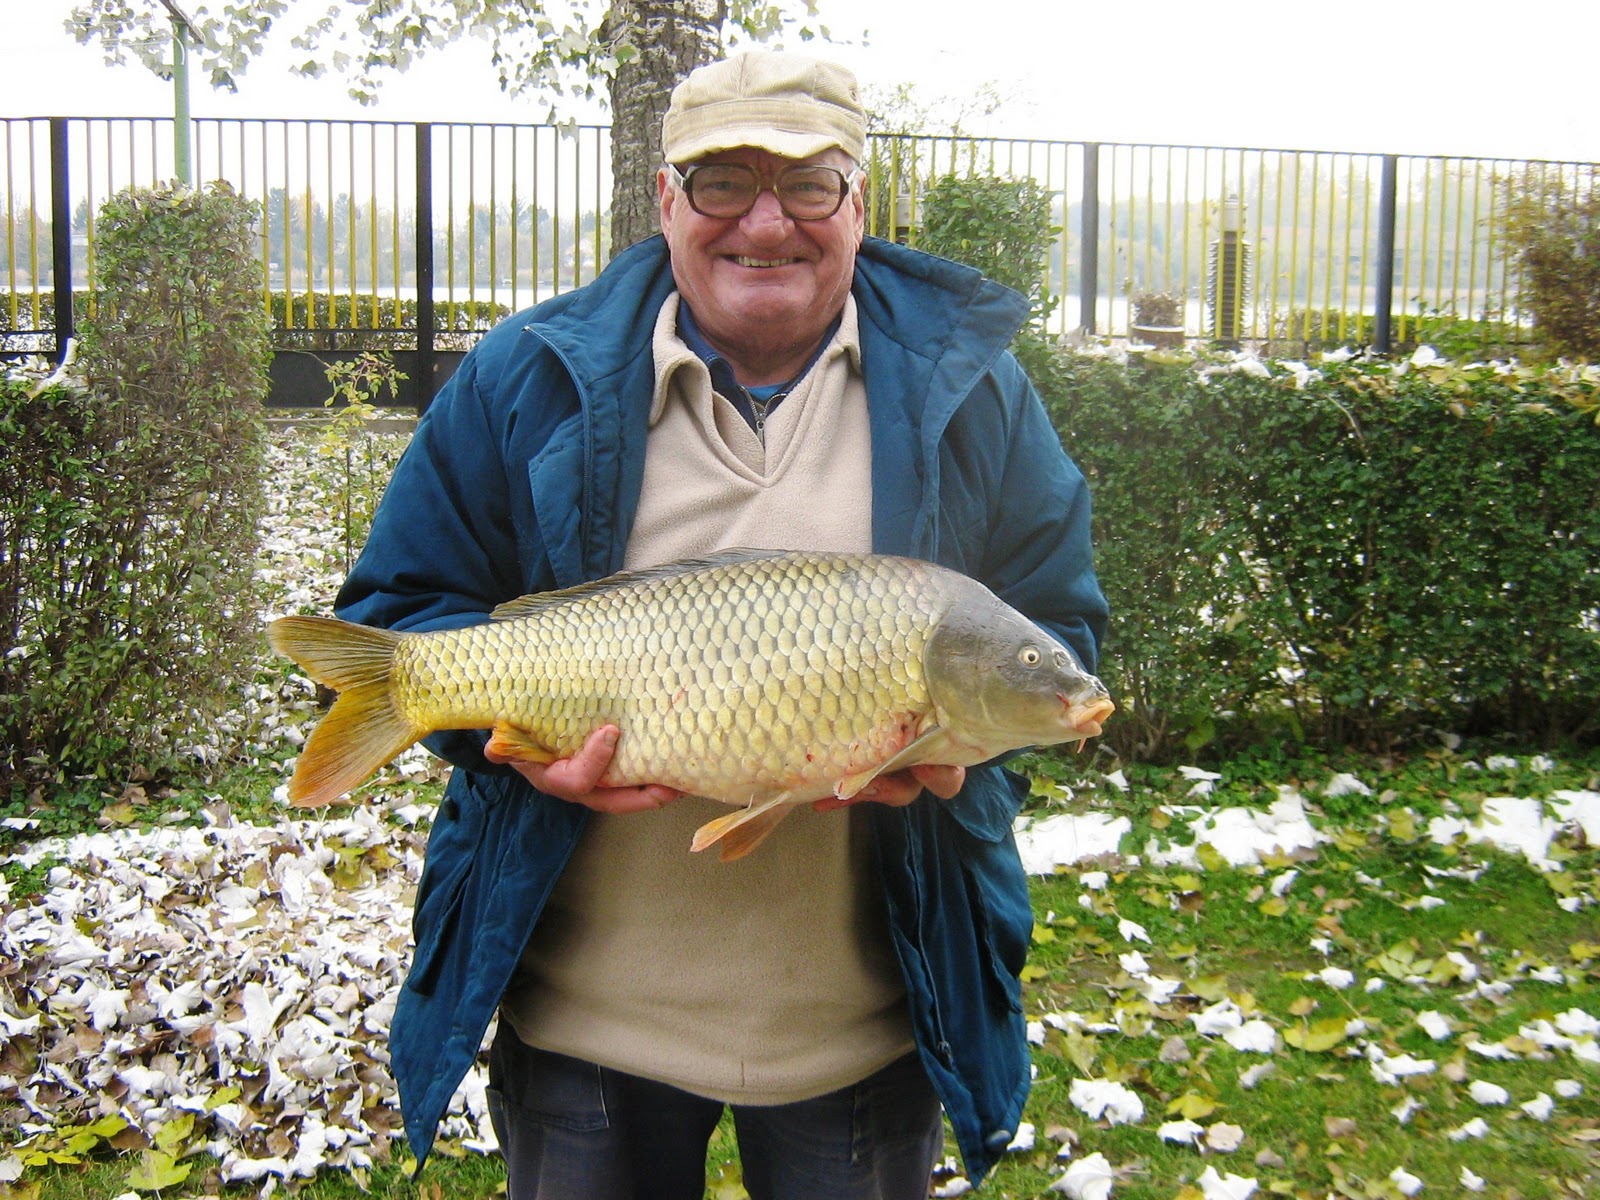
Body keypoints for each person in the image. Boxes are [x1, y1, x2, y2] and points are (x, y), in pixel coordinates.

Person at [334, 48, 1109, 1200]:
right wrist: (498, 743)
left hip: (865, 1028)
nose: (766, 222)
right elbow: (402, 607)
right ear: (664, 200)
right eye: (721, 182)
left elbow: (1052, 630)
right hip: (584, 1023)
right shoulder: (526, 376)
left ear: (858, 203)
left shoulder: (974, 391)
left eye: (808, 185)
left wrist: (962, 768)